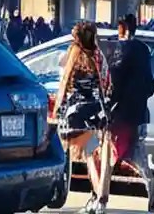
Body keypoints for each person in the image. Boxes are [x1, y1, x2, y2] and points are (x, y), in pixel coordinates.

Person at [52, 22, 112, 214]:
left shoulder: (74, 53)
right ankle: (99, 198)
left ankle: (97, 196)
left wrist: (58, 109)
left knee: (85, 154)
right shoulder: (98, 55)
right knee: (95, 153)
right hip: (97, 111)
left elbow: (64, 80)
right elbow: (107, 82)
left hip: (77, 113)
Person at [106, 14, 154, 212]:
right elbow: (150, 85)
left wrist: (109, 101)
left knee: (110, 153)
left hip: (121, 113)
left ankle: (100, 194)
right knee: (135, 151)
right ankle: (149, 181)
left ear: (123, 28)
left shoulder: (122, 50)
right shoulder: (143, 50)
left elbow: (115, 82)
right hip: (139, 111)